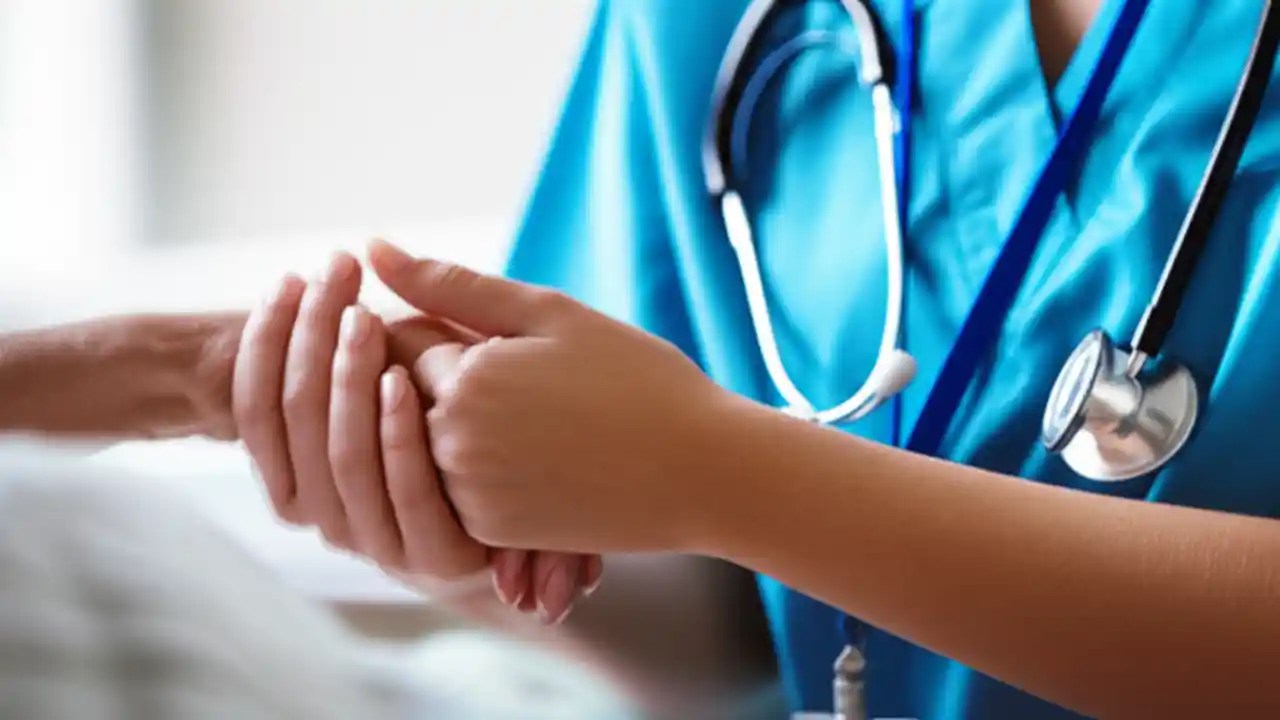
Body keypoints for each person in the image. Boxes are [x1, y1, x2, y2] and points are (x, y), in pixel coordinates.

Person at [237, 1, 1280, 719]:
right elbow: (738, 618)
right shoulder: (708, 23)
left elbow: (721, 490)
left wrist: (718, 475)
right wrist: (483, 535)